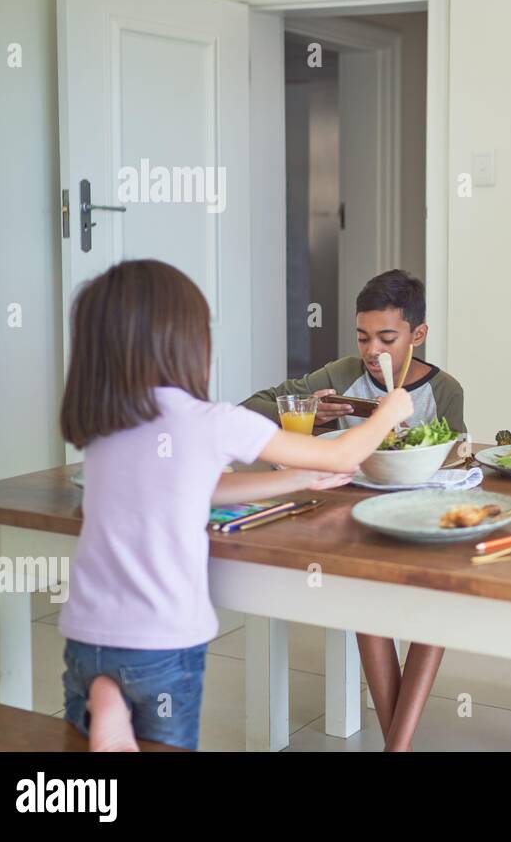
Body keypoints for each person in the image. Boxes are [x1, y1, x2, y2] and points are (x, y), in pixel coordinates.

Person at [58, 259, 411, 751]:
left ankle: (107, 700)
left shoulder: (106, 426)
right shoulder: (208, 421)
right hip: (160, 640)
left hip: (86, 636)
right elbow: (345, 451)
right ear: (184, 343)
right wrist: (390, 409)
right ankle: (115, 706)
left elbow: (190, 489)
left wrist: (294, 478)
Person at [242, 268, 463, 751]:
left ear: (418, 334)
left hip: (418, 521)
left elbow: (455, 460)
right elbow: (250, 409)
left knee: (438, 605)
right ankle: (398, 746)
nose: (371, 350)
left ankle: (394, 746)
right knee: (367, 604)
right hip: (349, 520)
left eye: (387, 337)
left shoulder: (444, 391)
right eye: (363, 337)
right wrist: (301, 407)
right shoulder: (342, 375)